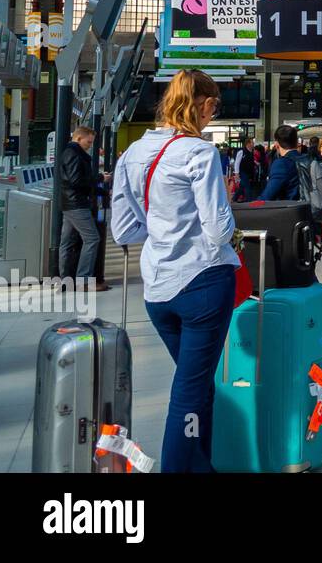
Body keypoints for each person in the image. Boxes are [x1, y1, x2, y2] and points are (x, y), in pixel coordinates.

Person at [110, 69, 236, 472]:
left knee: (196, 387)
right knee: (191, 391)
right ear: (199, 103)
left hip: (157, 290)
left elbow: (123, 229)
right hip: (203, 282)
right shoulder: (199, 152)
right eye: (213, 106)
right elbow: (219, 230)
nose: (213, 115)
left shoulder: (132, 154)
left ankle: (203, 466)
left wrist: (164, 227)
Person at [59, 125, 105, 288]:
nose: (89, 145)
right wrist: (99, 178)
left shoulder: (70, 153)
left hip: (69, 202)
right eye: (88, 142)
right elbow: (76, 181)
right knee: (92, 238)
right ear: (79, 138)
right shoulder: (73, 154)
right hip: (76, 204)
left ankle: (65, 280)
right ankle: (83, 280)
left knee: (67, 243)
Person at [258, 124, 301, 201]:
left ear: (277, 144)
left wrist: (253, 205)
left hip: (290, 210)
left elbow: (267, 196)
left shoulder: (282, 164)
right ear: (297, 142)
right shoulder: (308, 159)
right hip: (309, 209)